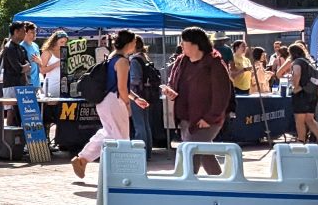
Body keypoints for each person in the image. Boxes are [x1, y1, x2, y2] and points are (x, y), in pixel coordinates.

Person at [71, 29, 150, 181]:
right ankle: (121, 175)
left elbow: (118, 86)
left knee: (108, 133)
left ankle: (83, 159)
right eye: (134, 42)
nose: (135, 45)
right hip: (115, 101)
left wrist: (135, 98)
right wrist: (128, 105)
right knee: (121, 138)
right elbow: (122, 88)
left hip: (104, 100)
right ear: (129, 43)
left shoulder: (111, 58)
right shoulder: (123, 62)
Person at [161, 27, 234, 175]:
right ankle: (221, 183)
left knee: (192, 152)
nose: (181, 45)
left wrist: (210, 117)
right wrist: (170, 91)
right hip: (185, 117)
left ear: (196, 44)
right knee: (204, 152)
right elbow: (173, 83)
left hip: (206, 120)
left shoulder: (215, 63)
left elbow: (222, 94)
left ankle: (187, 184)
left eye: (184, 42)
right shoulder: (181, 61)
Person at [277, 43, 318, 145]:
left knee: (299, 119)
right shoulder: (309, 61)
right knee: (310, 119)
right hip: (312, 92)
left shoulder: (297, 62)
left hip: (301, 94)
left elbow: (297, 74)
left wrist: (295, 87)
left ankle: (301, 141)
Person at [0, 23, 29, 97]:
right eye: (23, 31)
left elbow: (28, 65)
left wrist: (26, 67)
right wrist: (25, 67)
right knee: (10, 105)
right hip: (11, 86)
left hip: (22, 85)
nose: (25, 33)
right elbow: (19, 68)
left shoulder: (21, 48)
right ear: (16, 32)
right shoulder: (9, 48)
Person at [38, 32, 66, 98]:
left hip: (64, 86)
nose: (63, 44)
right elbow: (41, 70)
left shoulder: (64, 51)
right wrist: (56, 64)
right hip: (51, 85)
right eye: (61, 42)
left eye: (65, 42)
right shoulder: (47, 52)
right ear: (55, 41)